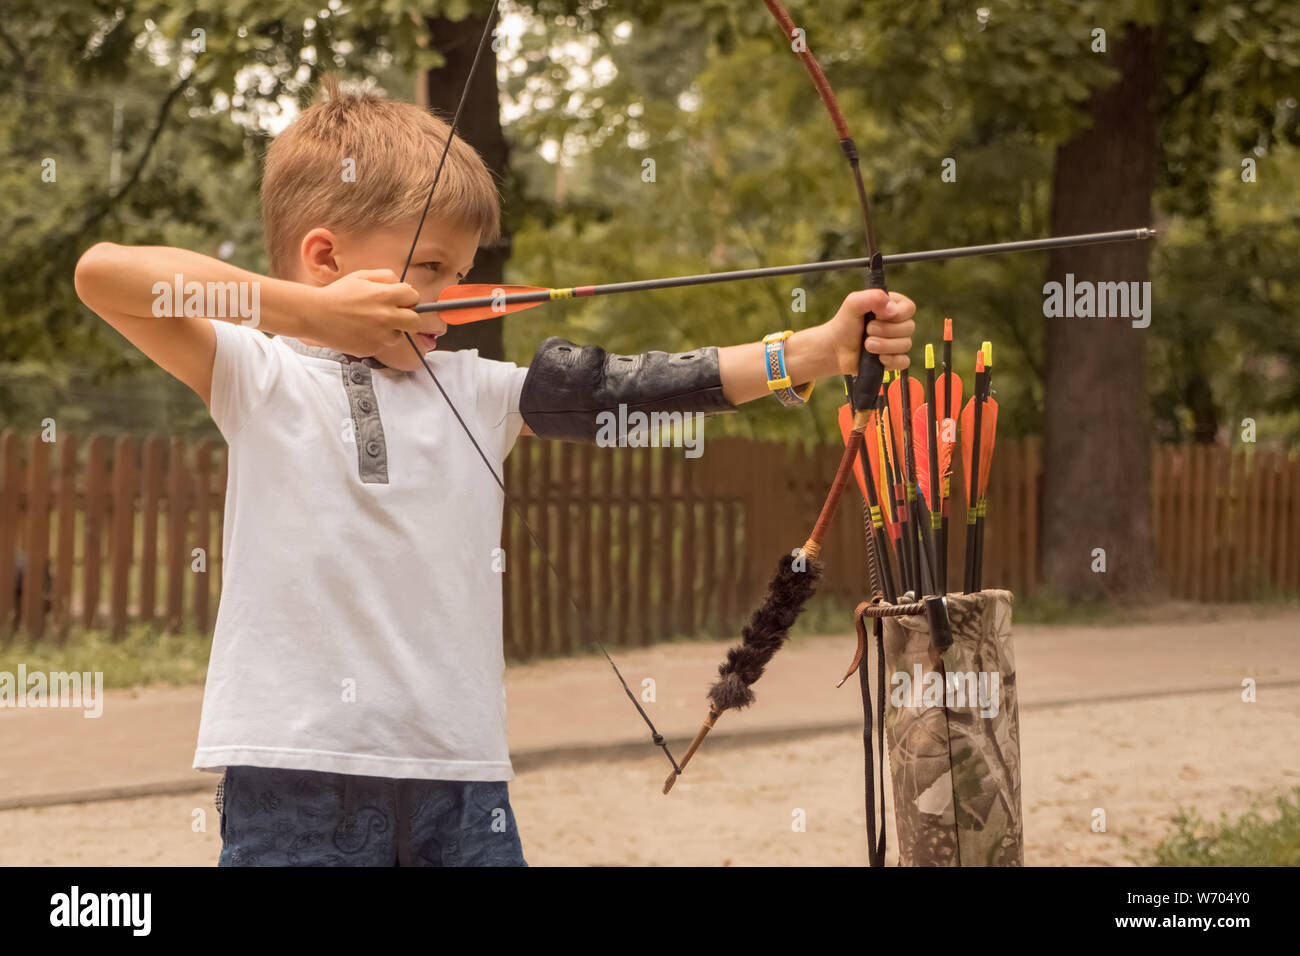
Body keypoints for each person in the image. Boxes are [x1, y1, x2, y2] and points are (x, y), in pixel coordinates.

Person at [73, 77, 914, 866]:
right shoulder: (256, 374)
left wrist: (807, 351)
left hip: (463, 784)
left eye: (463, 273)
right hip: (294, 775)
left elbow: (624, 390)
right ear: (323, 257)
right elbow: (105, 275)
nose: (452, 296)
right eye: (430, 268)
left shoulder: (477, 391)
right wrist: (309, 313)